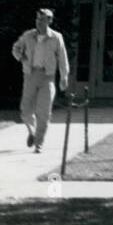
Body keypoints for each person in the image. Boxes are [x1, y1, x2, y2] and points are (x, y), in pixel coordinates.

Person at [12, 9, 69, 153]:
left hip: (48, 77)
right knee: (25, 110)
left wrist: (64, 76)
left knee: (44, 111)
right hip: (30, 75)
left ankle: (39, 142)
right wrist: (21, 57)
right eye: (37, 19)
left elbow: (62, 59)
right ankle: (31, 131)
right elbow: (16, 48)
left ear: (49, 21)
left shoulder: (56, 37)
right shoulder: (28, 35)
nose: (38, 22)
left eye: (42, 19)